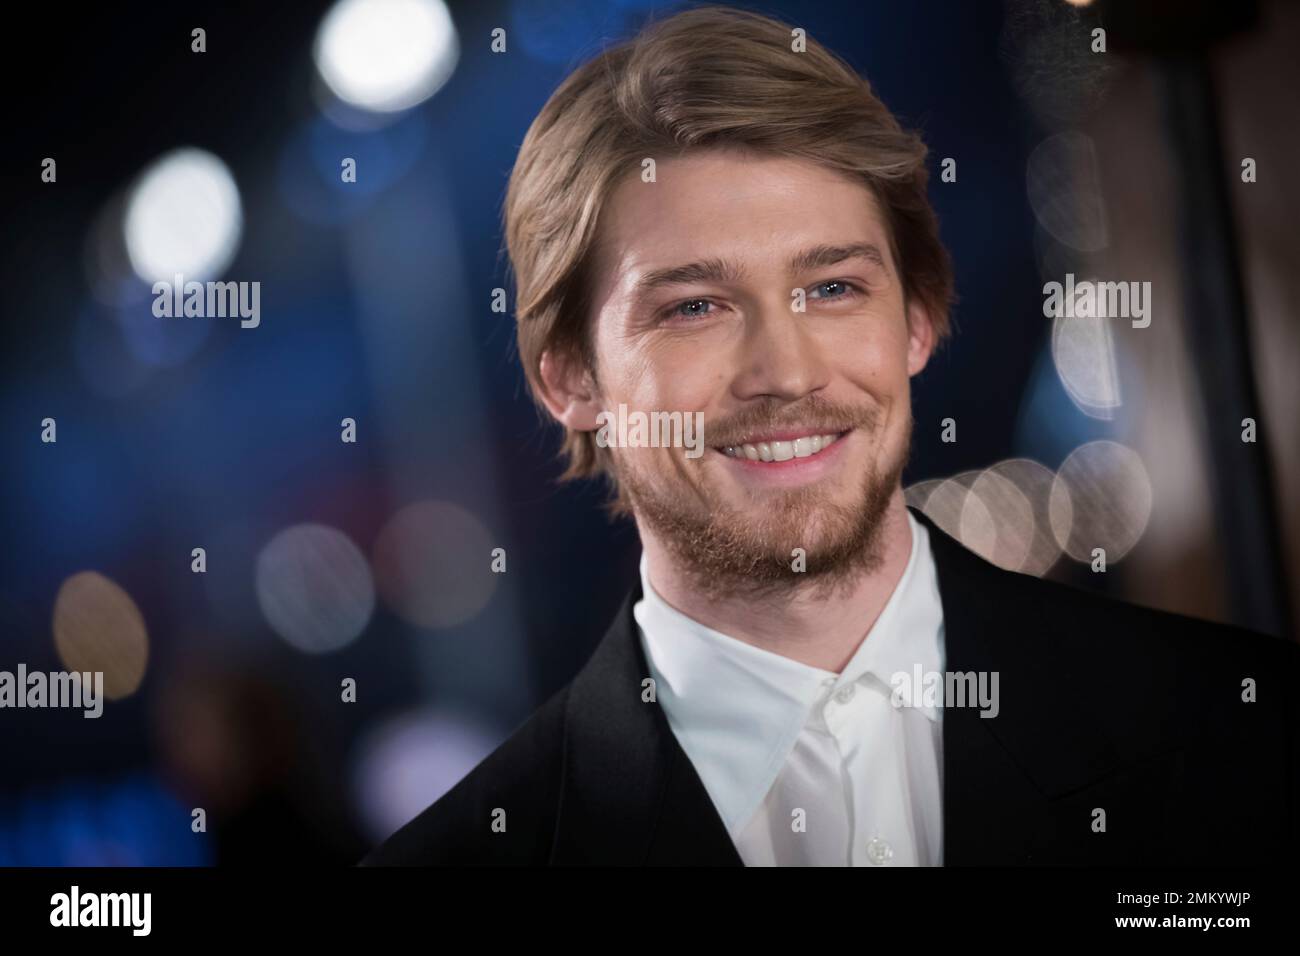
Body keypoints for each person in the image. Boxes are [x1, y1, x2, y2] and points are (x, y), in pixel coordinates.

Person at [363, 5, 1298, 866]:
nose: (788, 370)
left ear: (918, 321)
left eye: (834, 288)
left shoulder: (1232, 736)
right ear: (570, 377)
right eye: (695, 306)